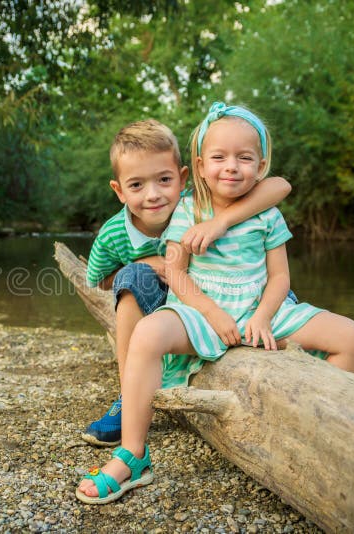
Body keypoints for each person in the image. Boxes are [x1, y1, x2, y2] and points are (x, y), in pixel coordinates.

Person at [76, 102, 354, 504]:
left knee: (349, 335)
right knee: (147, 333)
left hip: (262, 309)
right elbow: (176, 275)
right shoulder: (190, 209)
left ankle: (327, 438)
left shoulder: (266, 214)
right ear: (199, 165)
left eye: (244, 158)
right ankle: (133, 455)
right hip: (201, 309)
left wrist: (263, 316)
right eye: (219, 157)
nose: (231, 166)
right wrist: (212, 313)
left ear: (260, 167)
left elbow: (280, 277)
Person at [82, 118, 294, 448]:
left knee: (271, 287)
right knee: (131, 279)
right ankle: (128, 397)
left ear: (183, 178)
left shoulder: (200, 200)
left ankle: (280, 358)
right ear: (119, 191)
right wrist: (146, 263)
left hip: (222, 292)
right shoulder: (113, 234)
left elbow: (279, 186)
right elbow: (98, 280)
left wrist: (222, 221)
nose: (153, 195)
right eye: (137, 186)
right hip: (165, 301)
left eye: (164, 180)